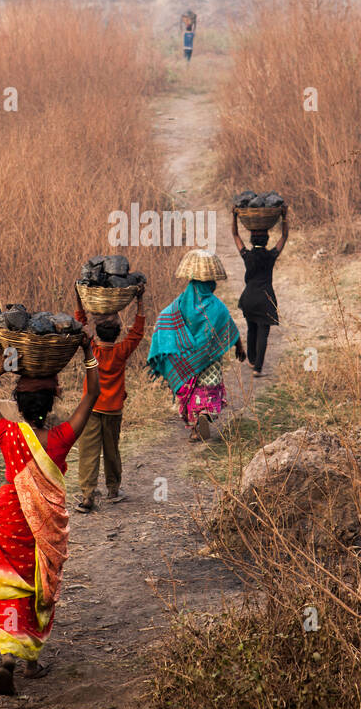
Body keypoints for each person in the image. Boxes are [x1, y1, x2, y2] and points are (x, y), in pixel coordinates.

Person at [0, 333, 100, 694]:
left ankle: (7, 659)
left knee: (8, 585)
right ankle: (30, 662)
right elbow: (93, 395)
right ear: (53, 399)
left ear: (19, 402)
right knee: (36, 585)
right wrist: (88, 352)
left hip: (8, 515)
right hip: (41, 523)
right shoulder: (60, 438)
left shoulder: (8, 434)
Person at [147, 250, 245, 441]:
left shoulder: (179, 304)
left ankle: (194, 428)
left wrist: (164, 345)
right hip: (210, 360)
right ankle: (205, 415)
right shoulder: (217, 307)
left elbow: (163, 320)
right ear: (211, 284)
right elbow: (229, 327)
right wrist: (239, 347)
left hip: (186, 360)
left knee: (191, 393)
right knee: (209, 389)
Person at [72, 282, 146, 512]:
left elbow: (79, 324)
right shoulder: (121, 352)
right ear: (117, 333)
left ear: (97, 331)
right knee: (111, 450)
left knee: (88, 451)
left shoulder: (90, 349)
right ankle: (113, 490)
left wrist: (79, 297)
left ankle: (87, 496)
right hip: (113, 410)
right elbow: (138, 331)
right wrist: (139, 299)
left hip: (90, 408)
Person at [232, 206, 288, 378]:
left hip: (249, 298)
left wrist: (234, 216)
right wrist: (284, 216)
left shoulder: (247, 255)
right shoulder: (271, 256)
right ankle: (258, 368)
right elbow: (284, 237)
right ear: (267, 239)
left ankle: (251, 359)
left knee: (251, 329)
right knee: (263, 332)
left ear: (251, 240)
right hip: (265, 298)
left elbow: (235, 235)